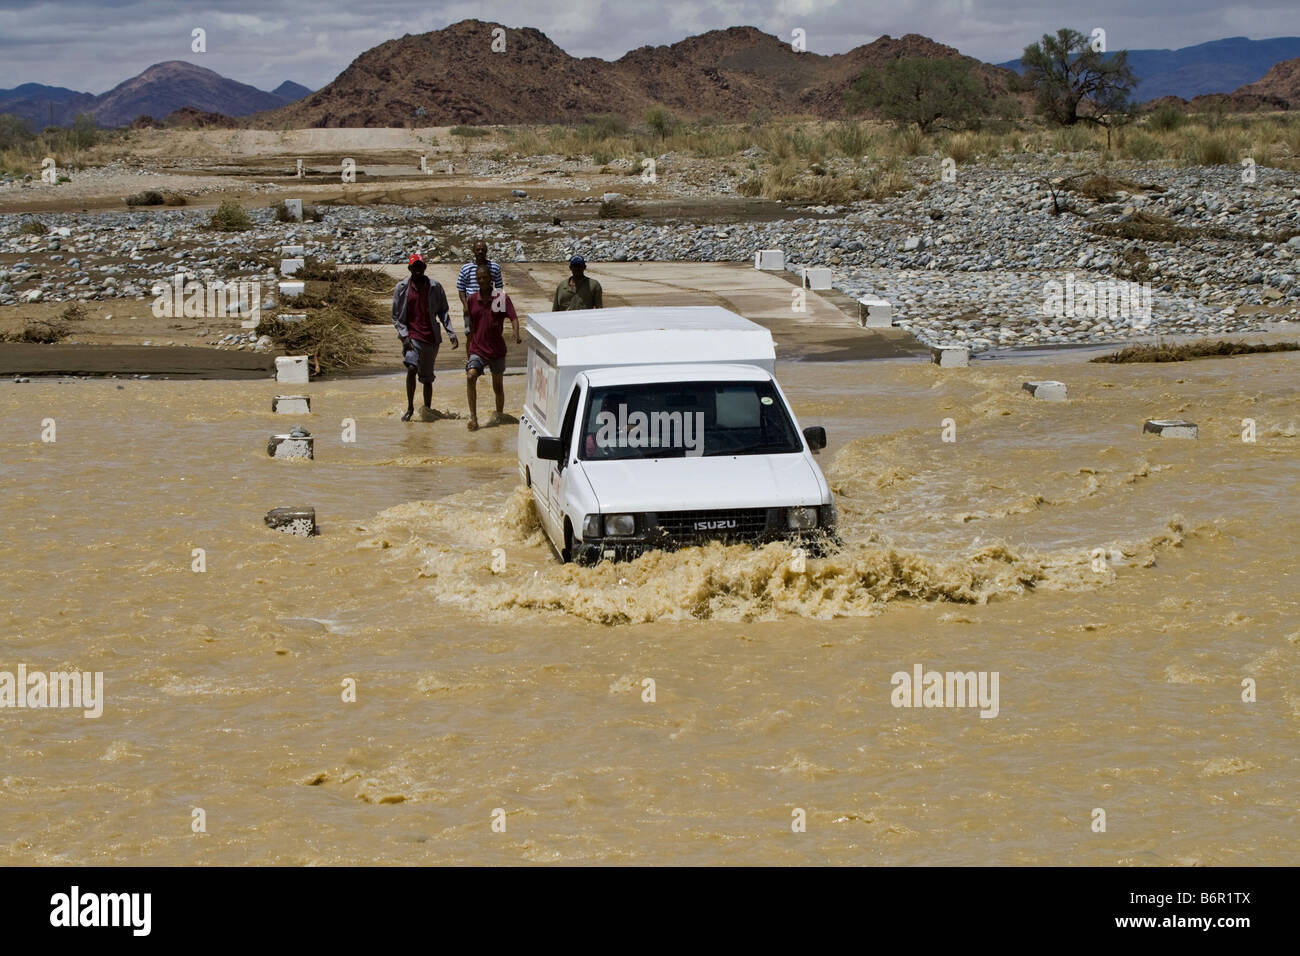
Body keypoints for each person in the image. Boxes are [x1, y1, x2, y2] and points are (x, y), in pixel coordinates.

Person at [392, 253, 457, 422]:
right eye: (415, 267)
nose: (418, 270)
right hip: (411, 336)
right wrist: (404, 337)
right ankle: (410, 408)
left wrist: (451, 333)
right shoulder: (401, 288)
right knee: (411, 368)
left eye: (420, 266)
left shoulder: (435, 287)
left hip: (430, 337)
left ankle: (427, 410)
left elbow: (443, 311)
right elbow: (397, 316)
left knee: (427, 379)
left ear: (425, 267)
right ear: (410, 268)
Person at [464, 265, 520, 431]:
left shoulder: (500, 298)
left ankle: (499, 416)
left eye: (484, 278)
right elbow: (472, 326)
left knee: (498, 387)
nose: (482, 281)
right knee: (470, 377)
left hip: (496, 350)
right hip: (478, 349)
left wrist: (516, 333)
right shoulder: (472, 299)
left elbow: (513, 317)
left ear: (491, 279)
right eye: (479, 278)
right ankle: (473, 417)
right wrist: (470, 348)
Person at [456, 240, 503, 336]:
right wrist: (465, 306)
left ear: (486, 250)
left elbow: (499, 288)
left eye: (482, 249)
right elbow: (461, 289)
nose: (480, 252)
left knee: (490, 334)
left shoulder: (494, 267)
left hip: (488, 306)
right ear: (473, 251)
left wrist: (498, 307)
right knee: (470, 334)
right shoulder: (466, 268)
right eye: (478, 250)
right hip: (471, 306)